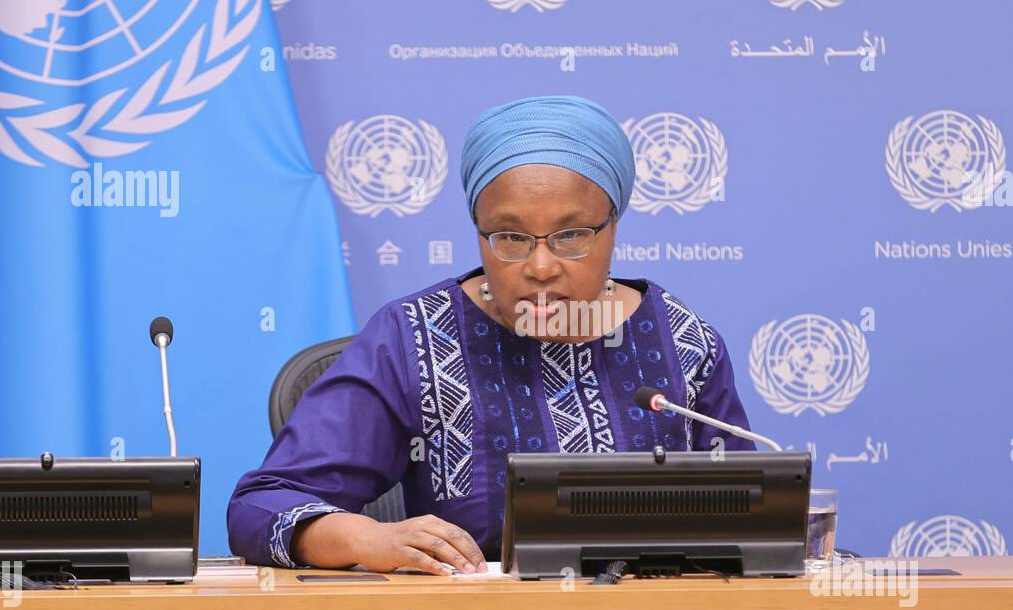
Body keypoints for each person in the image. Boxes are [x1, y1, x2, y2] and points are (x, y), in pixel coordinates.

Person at [227, 94, 757, 573]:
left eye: (571, 235)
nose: (541, 265)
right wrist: (367, 538)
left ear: (612, 226)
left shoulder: (682, 341)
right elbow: (262, 506)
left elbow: (754, 519)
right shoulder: (413, 338)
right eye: (511, 237)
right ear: (479, 233)